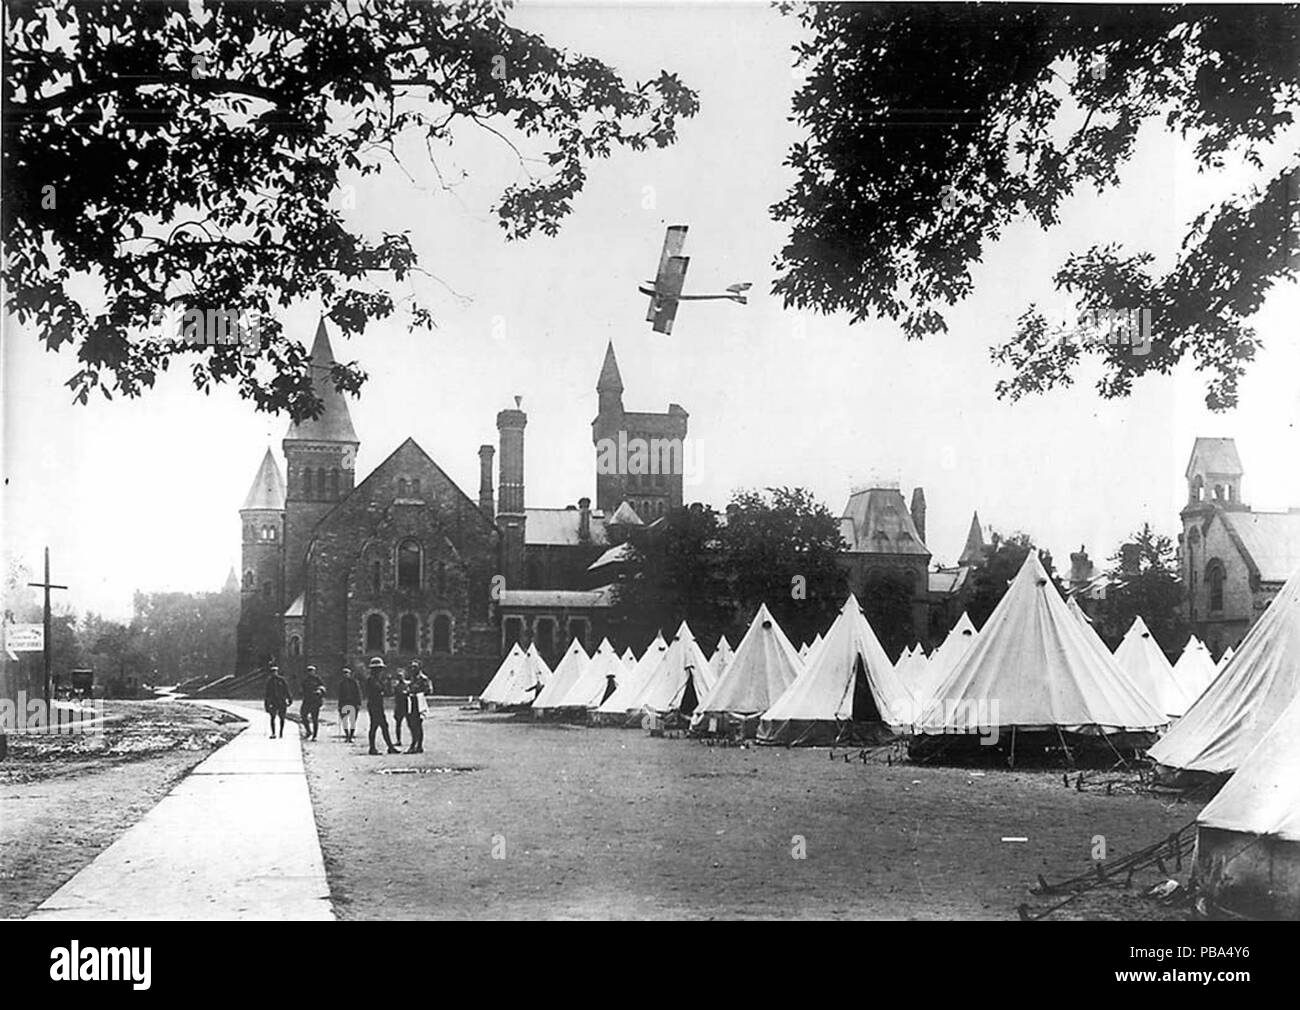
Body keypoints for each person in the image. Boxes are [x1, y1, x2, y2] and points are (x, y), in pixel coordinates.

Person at [365, 657, 399, 755]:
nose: (380, 671)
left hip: (378, 705)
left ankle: (384, 747)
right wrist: (384, 685)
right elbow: (378, 689)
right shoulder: (371, 680)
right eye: (379, 669)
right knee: (379, 726)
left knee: (378, 726)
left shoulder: (377, 679)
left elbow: (387, 692)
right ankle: (382, 748)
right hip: (374, 706)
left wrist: (387, 683)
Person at [407, 661, 432, 754]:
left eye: (415, 667)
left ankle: (419, 745)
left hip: (419, 703)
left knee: (418, 725)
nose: (413, 669)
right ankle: (414, 743)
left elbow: (428, 690)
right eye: (412, 667)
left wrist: (418, 693)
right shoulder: (412, 679)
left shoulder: (423, 678)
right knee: (411, 725)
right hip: (411, 703)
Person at [264, 665, 291, 738]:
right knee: (272, 717)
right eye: (272, 672)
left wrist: (289, 699)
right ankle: (273, 733)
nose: (274, 673)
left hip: (281, 701)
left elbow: (287, 690)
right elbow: (267, 694)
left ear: (277, 672)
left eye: (275, 671)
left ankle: (281, 732)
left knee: (282, 717)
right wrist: (266, 704)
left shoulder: (282, 680)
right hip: (273, 702)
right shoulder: (269, 682)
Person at [300, 665, 326, 741]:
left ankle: (315, 736)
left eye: (312, 671)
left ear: (314, 672)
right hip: (307, 701)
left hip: (315, 702)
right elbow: (301, 689)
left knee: (315, 719)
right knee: (303, 716)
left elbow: (323, 687)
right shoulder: (305, 680)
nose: (310, 672)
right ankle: (308, 731)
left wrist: (319, 690)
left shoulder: (317, 679)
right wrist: (301, 692)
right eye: (309, 671)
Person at [337, 667, 361, 743]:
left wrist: (358, 703)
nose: (346, 675)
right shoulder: (341, 684)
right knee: (344, 721)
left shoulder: (354, 682)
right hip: (344, 703)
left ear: (350, 674)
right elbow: (339, 695)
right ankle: (347, 735)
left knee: (353, 721)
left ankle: (351, 736)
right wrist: (339, 705)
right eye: (344, 673)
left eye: (347, 673)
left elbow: (358, 693)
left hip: (353, 703)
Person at [391, 669, 410, 747]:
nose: (400, 677)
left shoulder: (407, 684)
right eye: (398, 676)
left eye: (401, 676)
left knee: (410, 724)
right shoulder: (396, 686)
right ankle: (398, 740)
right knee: (398, 724)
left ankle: (413, 740)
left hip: (407, 706)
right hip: (399, 707)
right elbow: (394, 696)